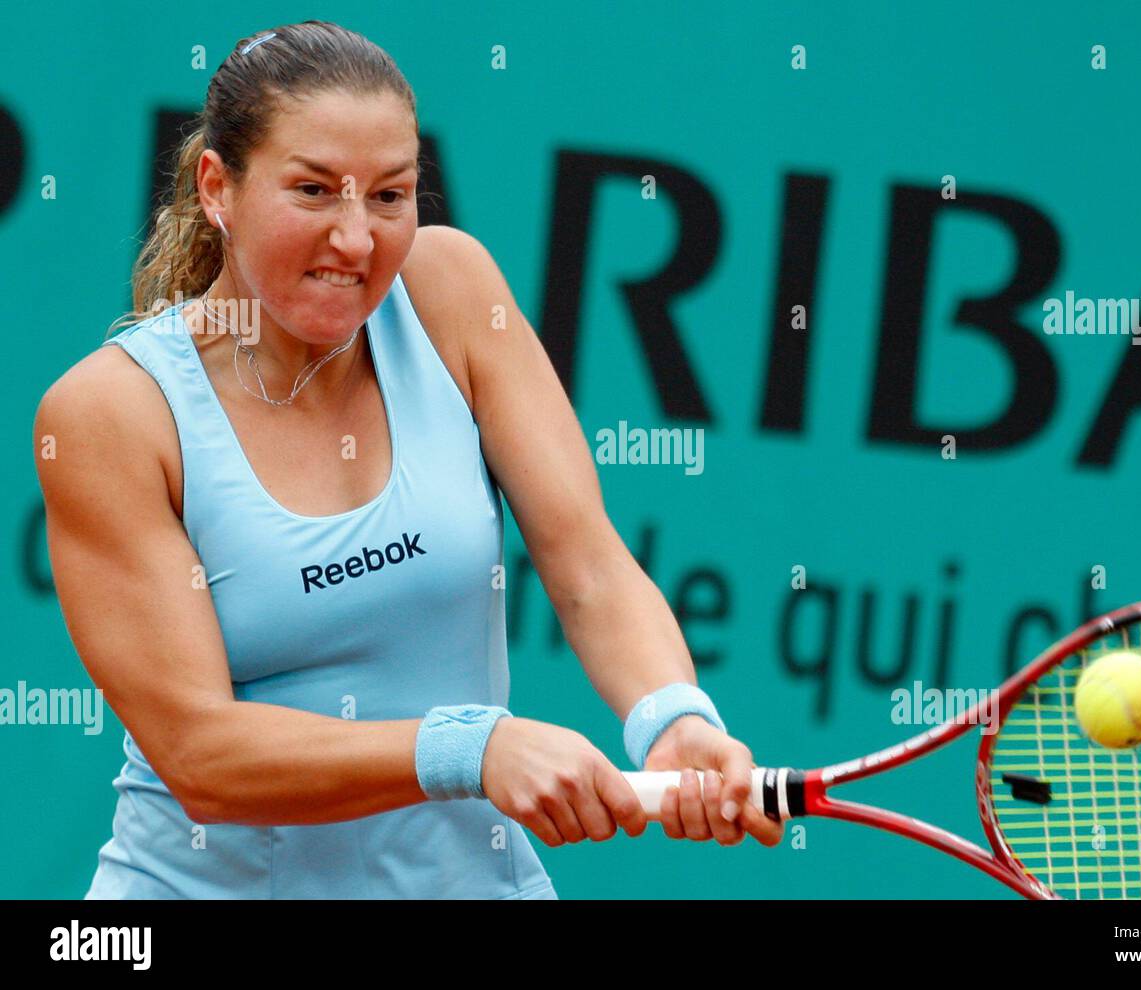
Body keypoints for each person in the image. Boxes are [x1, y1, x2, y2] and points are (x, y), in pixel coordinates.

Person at [33, 20, 782, 899]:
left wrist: (672, 717)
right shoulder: (109, 414)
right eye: (313, 191)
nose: (357, 239)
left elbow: (589, 566)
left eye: (390, 196)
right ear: (218, 187)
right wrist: (472, 746)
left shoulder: (453, 290)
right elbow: (201, 755)